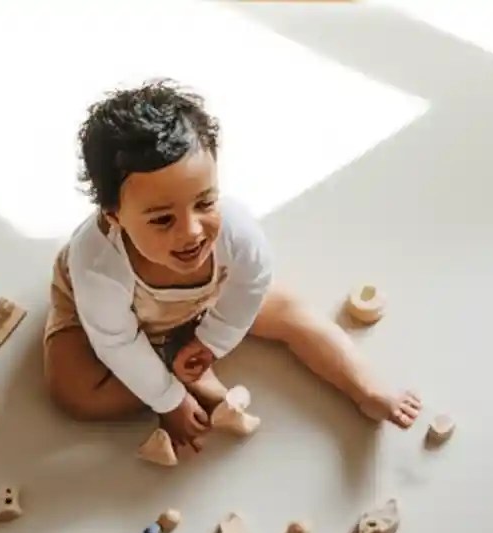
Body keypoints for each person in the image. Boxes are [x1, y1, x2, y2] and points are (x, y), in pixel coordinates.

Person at [43, 79, 420, 452]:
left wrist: (211, 340)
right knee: (75, 391)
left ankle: (366, 387)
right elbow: (117, 341)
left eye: (204, 203)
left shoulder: (236, 235)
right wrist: (169, 400)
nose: (191, 232)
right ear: (114, 217)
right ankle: (176, 374)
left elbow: (251, 284)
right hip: (107, 315)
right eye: (162, 220)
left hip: (204, 298)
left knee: (291, 313)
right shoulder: (97, 269)